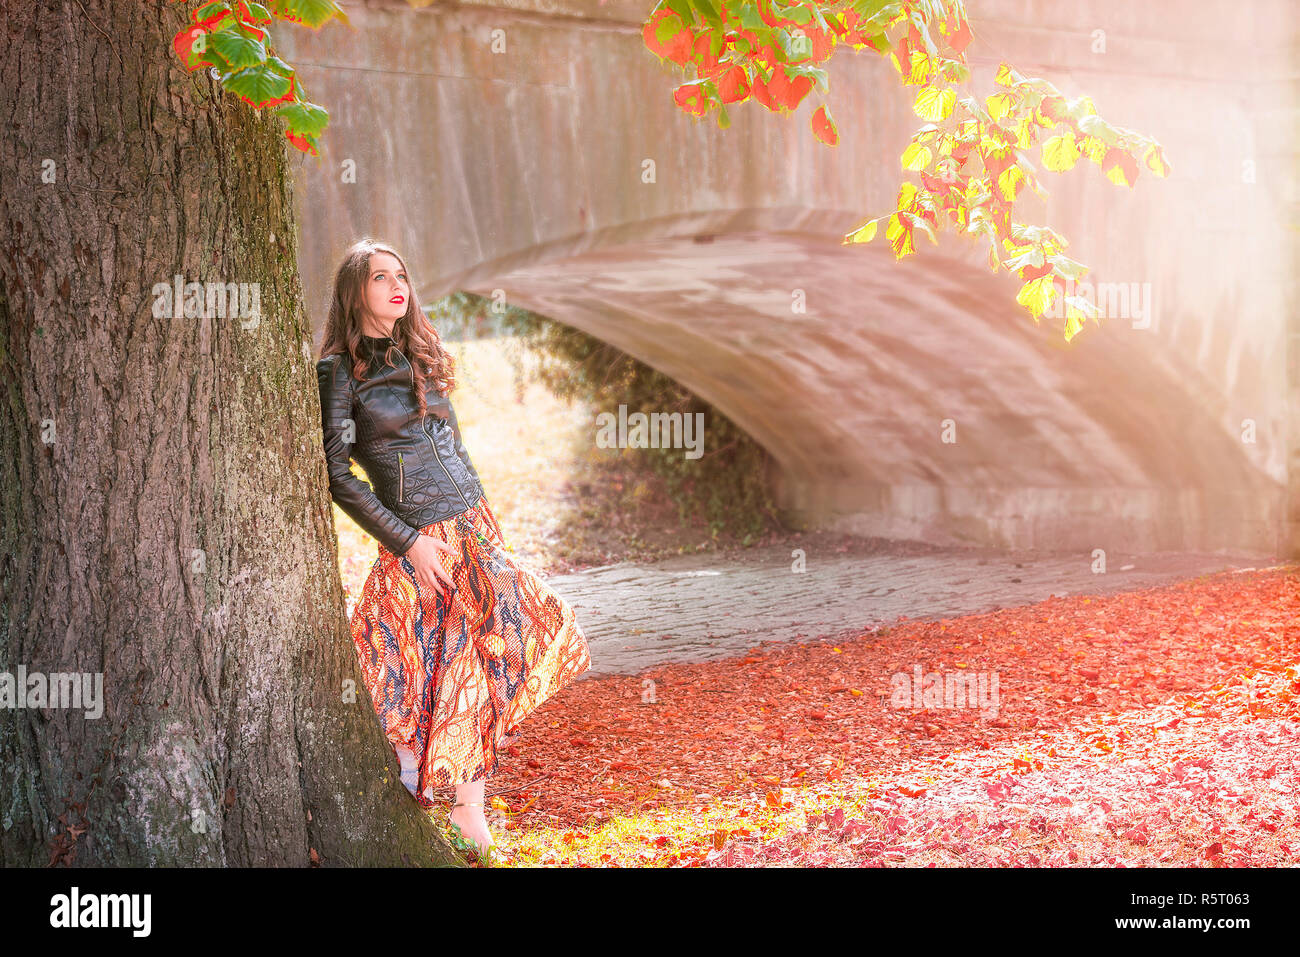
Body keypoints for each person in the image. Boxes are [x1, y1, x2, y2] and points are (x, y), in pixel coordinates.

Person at [315, 238, 591, 862]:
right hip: (418, 537)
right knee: (423, 662)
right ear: (354, 291)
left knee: (508, 639)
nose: (397, 285)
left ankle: (466, 804)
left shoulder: (420, 352)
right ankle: (433, 788)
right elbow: (337, 476)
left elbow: (455, 449)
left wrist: (484, 525)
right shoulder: (338, 372)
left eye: (402, 274)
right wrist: (410, 543)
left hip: (471, 525)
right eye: (380, 276)